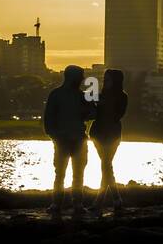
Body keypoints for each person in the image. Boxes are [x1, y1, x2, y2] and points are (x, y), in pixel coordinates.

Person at [43, 65, 97, 216]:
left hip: (78, 139)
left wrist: (91, 103)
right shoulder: (57, 95)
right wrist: (55, 136)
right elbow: (48, 119)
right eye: (80, 76)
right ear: (72, 77)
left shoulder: (80, 95)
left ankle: (75, 204)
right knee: (61, 173)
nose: (83, 79)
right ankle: (58, 203)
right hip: (64, 140)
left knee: (76, 173)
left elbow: (93, 114)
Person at [90, 69, 128, 214]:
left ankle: (104, 201)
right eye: (104, 79)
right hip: (97, 134)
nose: (105, 82)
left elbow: (118, 115)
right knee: (106, 167)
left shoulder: (122, 97)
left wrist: (103, 103)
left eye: (108, 79)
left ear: (116, 81)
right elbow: (92, 112)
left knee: (106, 166)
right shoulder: (100, 95)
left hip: (112, 134)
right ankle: (113, 200)